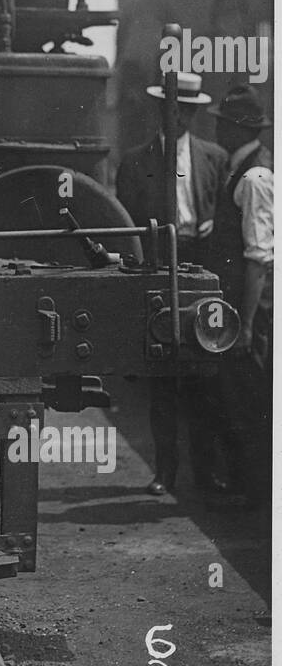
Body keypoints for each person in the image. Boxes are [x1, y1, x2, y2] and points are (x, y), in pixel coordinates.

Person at [116, 70, 228, 497]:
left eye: (185, 110)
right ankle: (165, 470)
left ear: (193, 114)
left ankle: (206, 474)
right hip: (157, 266)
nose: (176, 116)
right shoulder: (135, 162)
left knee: (203, 376)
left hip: (200, 263)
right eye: (169, 107)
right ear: (158, 109)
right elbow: (125, 228)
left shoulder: (214, 158)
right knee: (162, 377)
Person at [206, 84, 273, 509]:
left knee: (251, 404)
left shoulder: (254, 176)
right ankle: (247, 487)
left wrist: (247, 325)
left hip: (253, 313)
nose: (217, 129)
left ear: (235, 128)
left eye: (222, 123)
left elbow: (257, 258)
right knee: (236, 400)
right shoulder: (240, 169)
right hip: (238, 307)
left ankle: (258, 493)